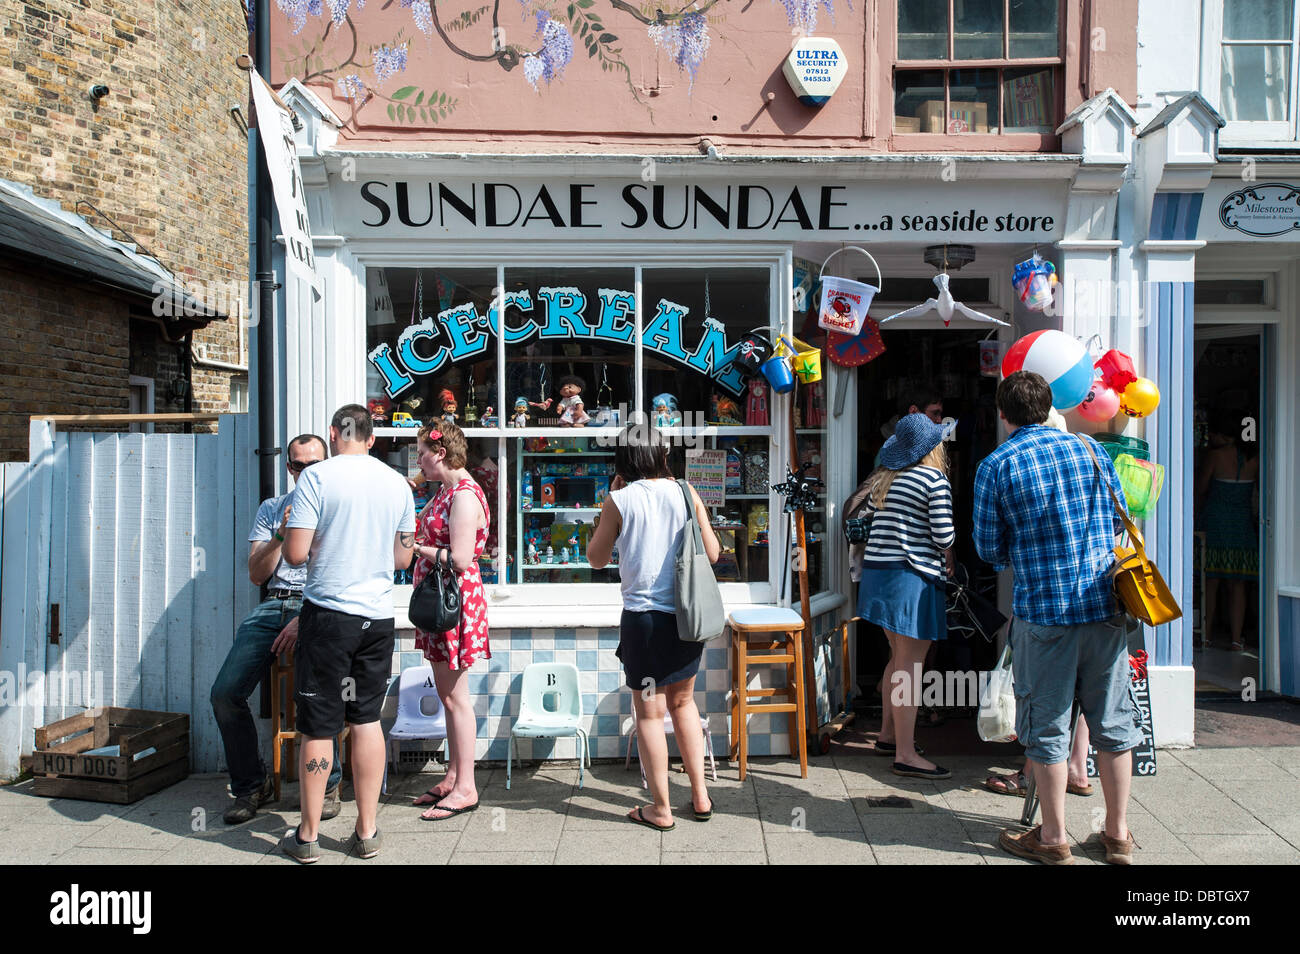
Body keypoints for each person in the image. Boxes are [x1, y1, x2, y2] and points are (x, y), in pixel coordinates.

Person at [973, 371, 1143, 865]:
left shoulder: (997, 464)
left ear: (1004, 416)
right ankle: (1116, 835)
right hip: (1103, 609)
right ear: (1051, 407)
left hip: (1043, 613)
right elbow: (1116, 520)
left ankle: (1053, 838)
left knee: (1046, 728)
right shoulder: (1092, 451)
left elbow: (988, 550)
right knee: (1112, 724)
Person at [275, 404, 416, 863]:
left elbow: (294, 555)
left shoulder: (317, 479)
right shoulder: (397, 483)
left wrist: (309, 537)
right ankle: (367, 830)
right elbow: (402, 560)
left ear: (334, 434)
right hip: (376, 617)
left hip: (329, 615)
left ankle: (310, 835)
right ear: (372, 438)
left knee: (319, 726)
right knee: (367, 719)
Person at [586, 424, 720, 831]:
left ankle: (661, 808)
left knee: (649, 713)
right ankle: (700, 796)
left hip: (643, 622)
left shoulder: (620, 499)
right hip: (685, 617)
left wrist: (611, 502)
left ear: (624, 460)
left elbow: (596, 558)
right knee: (684, 705)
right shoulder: (686, 491)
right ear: (662, 455)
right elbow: (713, 553)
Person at [211, 434, 342, 825]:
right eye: (299, 466)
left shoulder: (336, 507)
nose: (306, 473)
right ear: (289, 468)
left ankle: (328, 783)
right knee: (224, 694)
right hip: (273, 603)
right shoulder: (272, 508)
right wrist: (281, 535)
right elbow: (256, 575)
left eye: (314, 465)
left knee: (317, 692)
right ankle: (252, 785)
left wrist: (305, 618)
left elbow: (339, 576)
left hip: (317, 606)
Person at [852, 413, 955, 780]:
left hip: (881, 576)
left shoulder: (886, 478)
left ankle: (888, 736)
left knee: (898, 659)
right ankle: (906, 753)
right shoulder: (933, 479)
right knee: (910, 669)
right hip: (913, 578)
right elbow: (944, 536)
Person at [408, 422, 491, 821]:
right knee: (448, 696)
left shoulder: (462, 495)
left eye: (422, 451)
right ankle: (454, 776)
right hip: (442, 602)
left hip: (454, 602)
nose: (418, 459)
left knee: (457, 698)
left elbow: (460, 559)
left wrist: (416, 548)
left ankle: (467, 788)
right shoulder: (445, 491)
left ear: (440, 453)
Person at [1196, 409, 1259, 651]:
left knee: (1211, 581)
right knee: (1238, 585)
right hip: (1242, 525)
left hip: (1216, 522)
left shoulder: (1215, 456)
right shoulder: (1255, 458)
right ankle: (1235, 639)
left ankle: (1207, 636)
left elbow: (1200, 489)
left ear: (1224, 434)